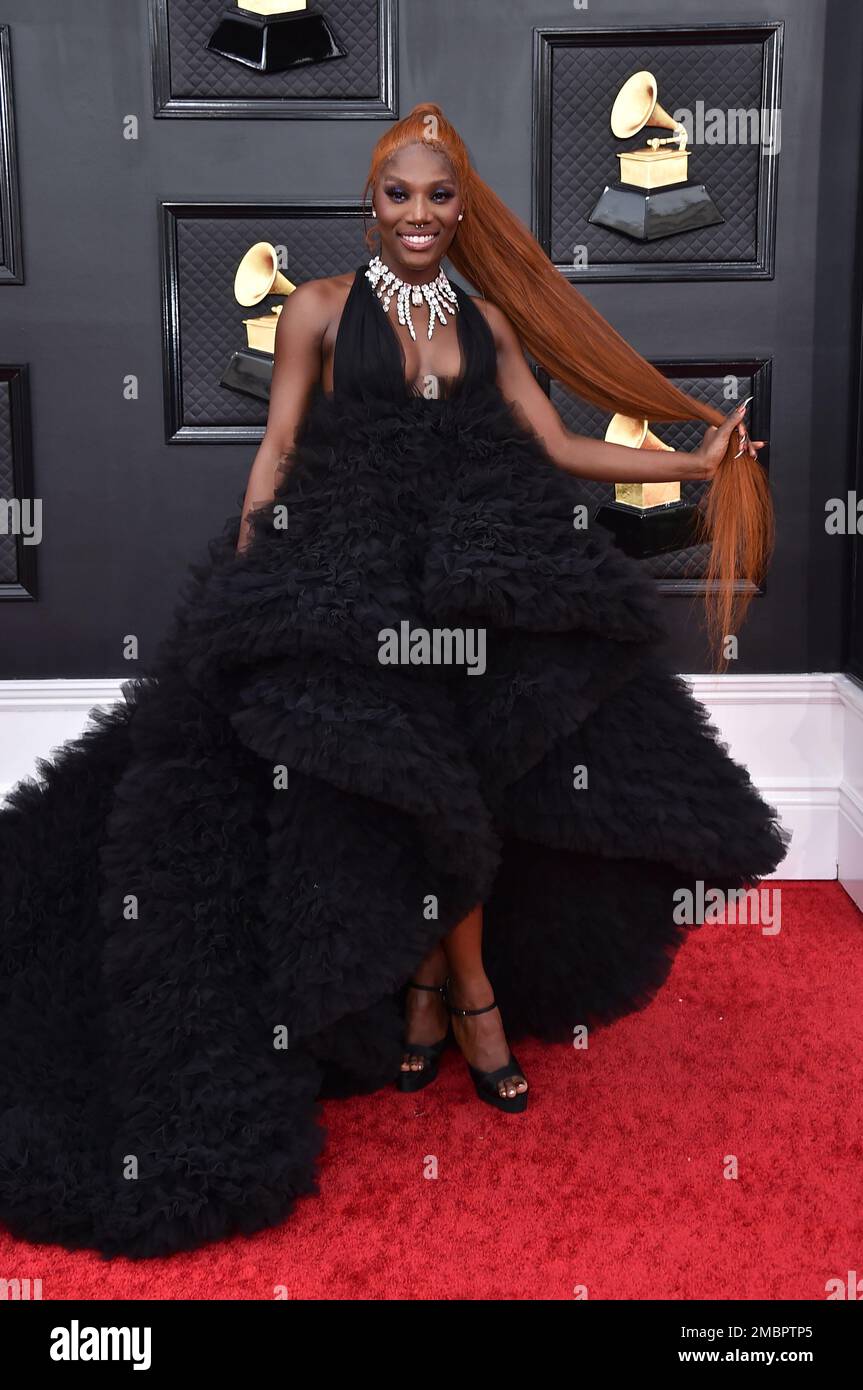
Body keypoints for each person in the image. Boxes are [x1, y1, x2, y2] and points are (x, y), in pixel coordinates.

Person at [0, 103, 789, 1259]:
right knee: (384, 792)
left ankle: (439, 993)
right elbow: (275, 445)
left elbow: (558, 447)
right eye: (396, 196)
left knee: (464, 794)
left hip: (473, 585)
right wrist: (251, 563)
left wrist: (691, 456)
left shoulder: (488, 321)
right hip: (347, 577)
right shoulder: (319, 310)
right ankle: (463, 1008)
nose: (418, 215)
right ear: (369, 204)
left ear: (464, 210)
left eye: (438, 197)